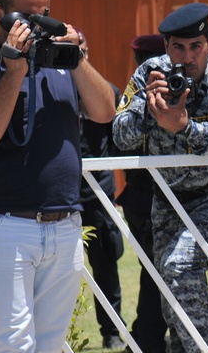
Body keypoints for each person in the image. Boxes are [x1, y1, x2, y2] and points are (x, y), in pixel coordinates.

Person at [0, 0, 117, 352]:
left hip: (65, 223)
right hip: (4, 225)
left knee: (51, 344)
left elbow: (105, 111)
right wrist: (13, 72)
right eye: (26, 16)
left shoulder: (62, 62)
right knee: (14, 344)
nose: (38, 26)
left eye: (45, 15)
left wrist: (77, 59)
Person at [113, 4, 208, 353]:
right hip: (167, 200)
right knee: (170, 297)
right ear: (166, 47)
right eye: (178, 47)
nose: (187, 58)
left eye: (196, 47)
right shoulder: (150, 74)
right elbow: (120, 135)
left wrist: (183, 127)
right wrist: (149, 110)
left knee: (180, 268)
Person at [116, 33, 171, 353]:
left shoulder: (133, 97)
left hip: (140, 196)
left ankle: (144, 337)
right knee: (156, 274)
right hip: (149, 197)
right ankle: (147, 340)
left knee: (155, 272)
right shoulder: (141, 99)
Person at [76, 31, 127, 350]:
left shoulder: (106, 91)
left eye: (79, 50)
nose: (76, 56)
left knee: (106, 259)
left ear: (87, 51)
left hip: (97, 191)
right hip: (58, 192)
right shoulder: (52, 93)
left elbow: (120, 144)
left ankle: (112, 331)